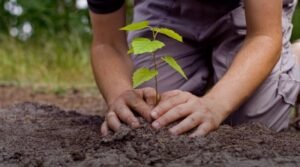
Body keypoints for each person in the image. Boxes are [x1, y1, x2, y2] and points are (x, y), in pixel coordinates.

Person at [88, 0, 300, 137]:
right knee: (154, 116)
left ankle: (295, 57)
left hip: (251, 10)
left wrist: (215, 105)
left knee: (249, 126)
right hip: (166, 6)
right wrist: (119, 95)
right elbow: (108, 43)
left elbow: (263, 35)